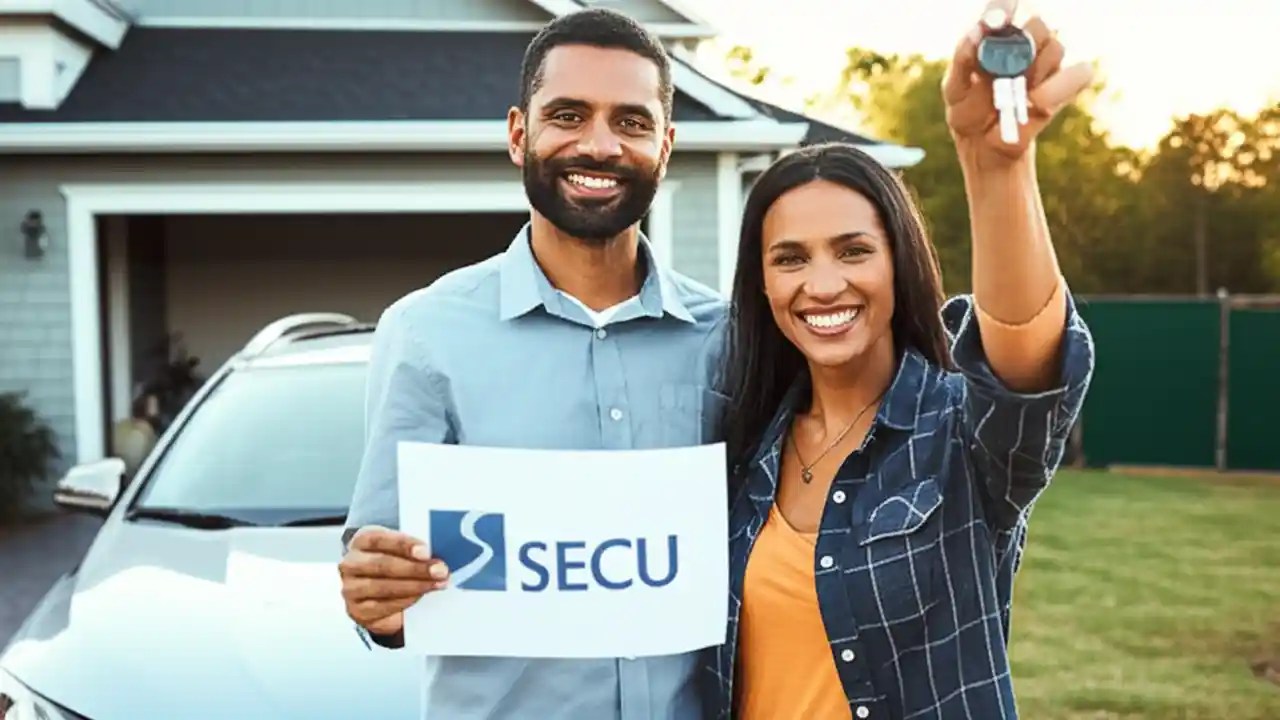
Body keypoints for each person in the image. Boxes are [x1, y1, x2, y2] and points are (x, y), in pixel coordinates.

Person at [704, 2, 1096, 719]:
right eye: (790, 259)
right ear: (762, 284)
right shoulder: (744, 445)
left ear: (899, 263)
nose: (822, 285)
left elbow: (1027, 368)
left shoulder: (957, 433)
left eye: (854, 250)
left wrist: (997, 170)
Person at [337, 7, 725, 720]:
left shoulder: (729, 338)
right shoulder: (426, 333)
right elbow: (382, 582)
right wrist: (377, 598)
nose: (599, 145)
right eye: (569, 115)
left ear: (666, 146)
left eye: (632, 123)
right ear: (520, 135)